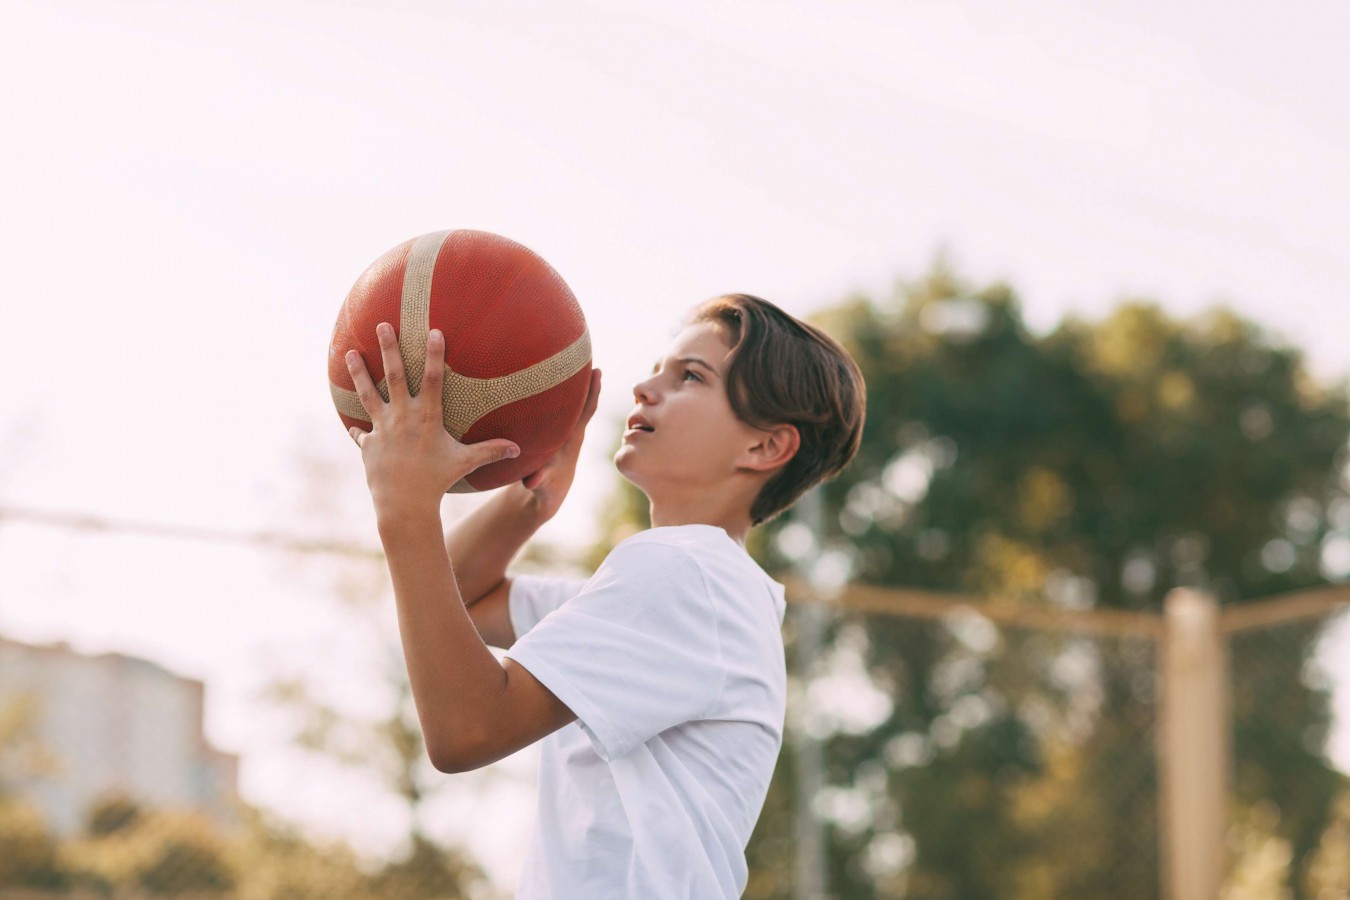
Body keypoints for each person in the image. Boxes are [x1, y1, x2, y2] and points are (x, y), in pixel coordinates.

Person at [344, 293, 866, 898]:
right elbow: (456, 596)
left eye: (691, 377)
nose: (645, 387)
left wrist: (405, 506)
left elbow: (466, 731)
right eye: (658, 368)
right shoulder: (694, 587)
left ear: (764, 447)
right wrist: (530, 498)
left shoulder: (682, 576)